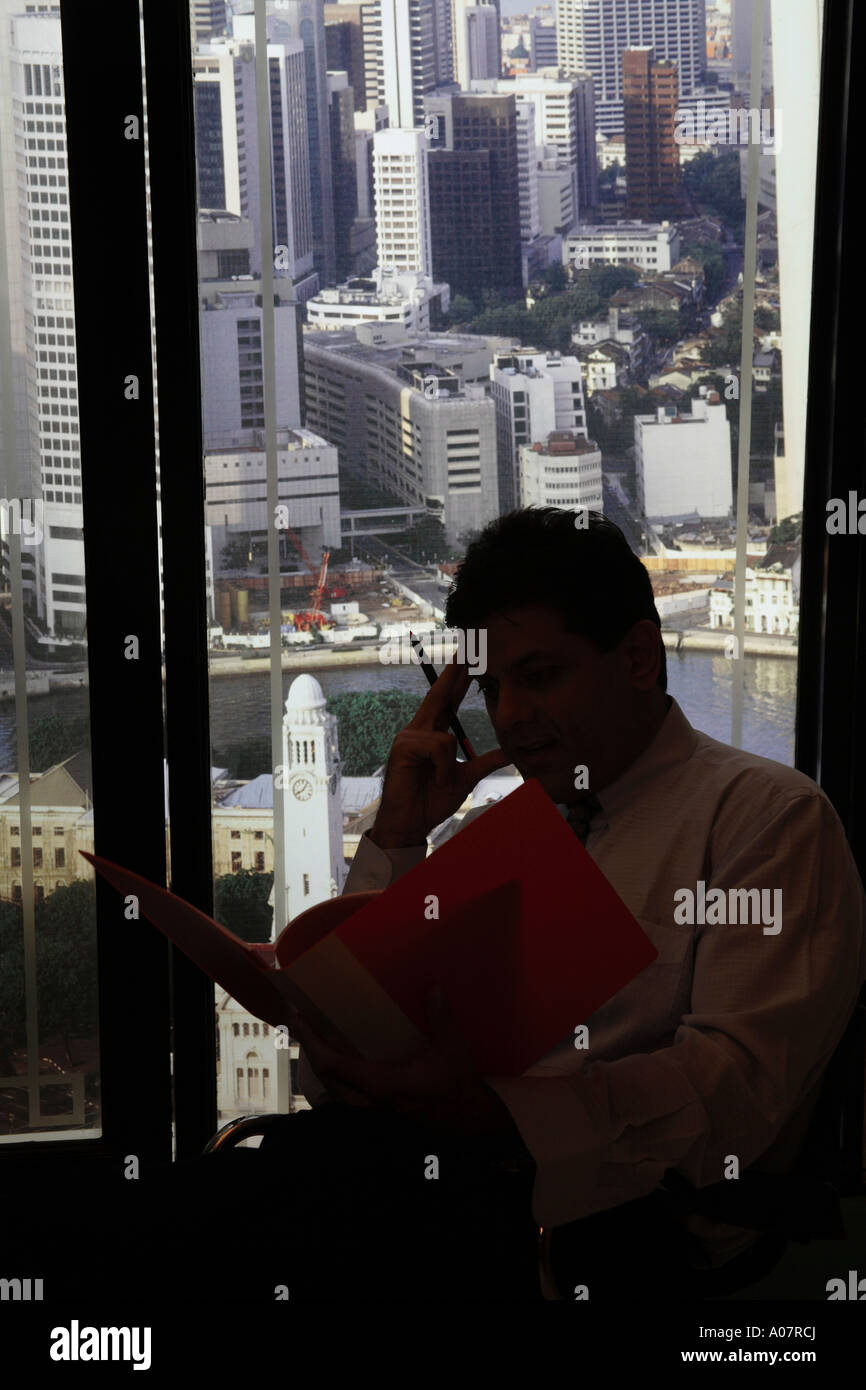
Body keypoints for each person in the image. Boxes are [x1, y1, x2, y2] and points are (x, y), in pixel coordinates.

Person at [293, 506, 866, 1300]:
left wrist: (499, 1116)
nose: (510, 718)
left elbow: (733, 1090)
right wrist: (398, 838)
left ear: (636, 657)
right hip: (470, 1201)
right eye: (491, 688)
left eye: (541, 676)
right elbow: (355, 1038)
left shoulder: (767, 820)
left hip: (634, 1246)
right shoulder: (521, 831)